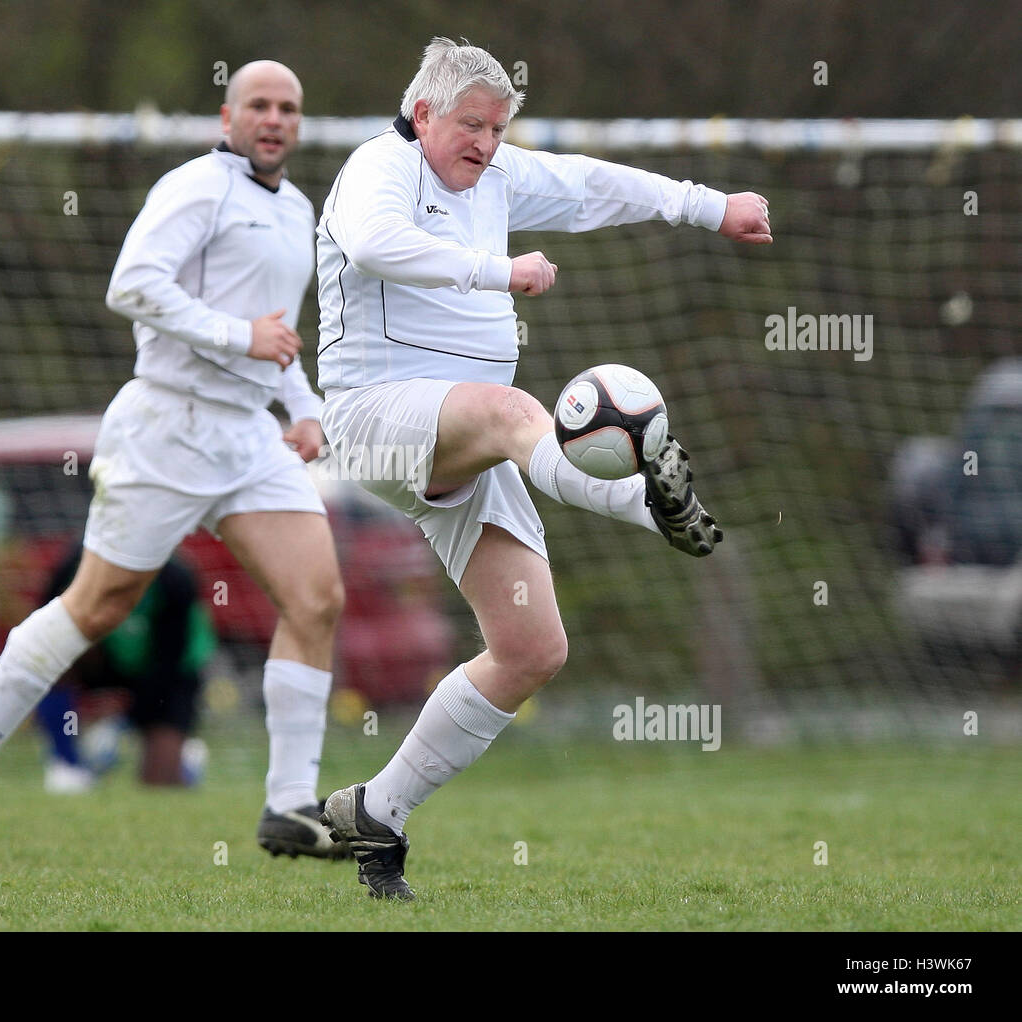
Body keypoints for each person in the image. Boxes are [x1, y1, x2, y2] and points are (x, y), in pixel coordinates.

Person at [314, 38, 772, 900]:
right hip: (373, 420)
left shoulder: (494, 176)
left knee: (530, 649)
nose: (486, 143)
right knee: (514, 412)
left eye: (497, 127)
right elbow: (375, 246)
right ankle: (649, 503)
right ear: (422, 116)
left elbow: (593, 183)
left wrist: (713, 207)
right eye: (470, 125)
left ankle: (377, 809)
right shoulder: (378, 167)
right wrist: (502, 269)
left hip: (463, 445)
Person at [0, 60, 350, 862]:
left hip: (249, 435)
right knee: (98, 606)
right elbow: (132, 285)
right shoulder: (194, 186)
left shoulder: (296, 209)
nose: (274, 118)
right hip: (165, 424)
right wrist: (236, 336)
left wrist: (306, 409)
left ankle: (289, 805)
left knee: (317, 597)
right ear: (229, 115)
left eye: (289, 107)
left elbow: (276, 333)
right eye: (259, 104)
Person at [34, 544, 213, 791]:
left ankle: (184, 760)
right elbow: (45, 628)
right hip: (103, 655)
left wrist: (124, 713)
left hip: (165, 670)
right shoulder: (75, 563)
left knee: (160, 786)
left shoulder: (176, 578)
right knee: (51, 665)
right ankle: (69, 764)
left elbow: (169, 664)